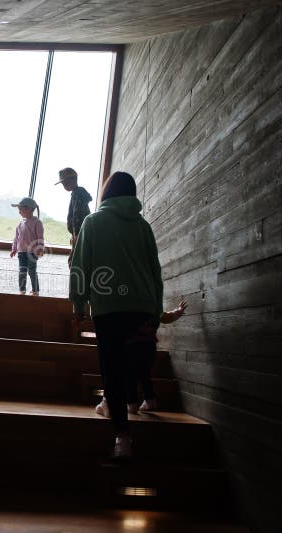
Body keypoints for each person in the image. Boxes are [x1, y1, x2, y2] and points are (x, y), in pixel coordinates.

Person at [69, 171, 162, 461]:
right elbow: (155, 272)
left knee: (112, 366)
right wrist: (156, 311)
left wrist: (79, 304)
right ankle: (114, 402)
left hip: (108, 307)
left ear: (107, 192)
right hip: (142, 306)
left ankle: (122, 437)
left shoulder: (93, 222)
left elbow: (80, 266)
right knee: (132, 362)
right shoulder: (143, 227)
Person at [95, 300, 187, 418]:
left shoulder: (131, 311)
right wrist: (178, 312)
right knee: (145, 374)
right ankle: (150, 400)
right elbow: (166, 317)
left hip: (132, 347)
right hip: (149, 348)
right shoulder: (153, 310)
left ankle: (132, 403)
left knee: (130, 376)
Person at [55, 167, 92, 266]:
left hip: (79, 233)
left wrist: (76, 236)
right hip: (80, 232)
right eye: (63, 184)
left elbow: (77, 216)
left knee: (74, 262)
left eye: (65, 183)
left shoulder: (77, 194)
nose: (64, 186)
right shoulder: (78, 193)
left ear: (73, 180)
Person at [10, 197, 45, 296]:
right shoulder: (20, 223)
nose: (19, 212)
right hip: (21, 252)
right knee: (22, 271)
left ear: (29, 209)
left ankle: (35, 290)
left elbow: (40, 238)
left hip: (32, 253)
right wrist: (14, 249)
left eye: (21, 209)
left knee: (32, 271)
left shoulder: (37, 223)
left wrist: (40, 249)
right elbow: (16, 238)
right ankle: (22, 290)